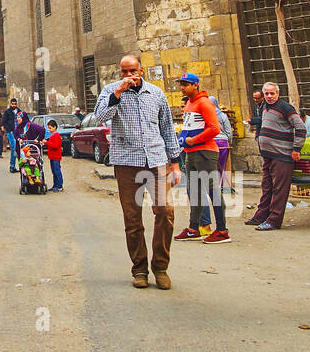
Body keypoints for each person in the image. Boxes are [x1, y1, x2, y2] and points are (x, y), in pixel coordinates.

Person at [92, 55, 181, 289]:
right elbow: (101, 117)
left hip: (156, 160)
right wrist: (118, 93)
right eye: (124, 71)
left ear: (141, 70)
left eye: (132, 70)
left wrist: (176, 162)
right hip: (127, 162)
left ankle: (160, 267)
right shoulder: (111, 91)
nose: (129, 75)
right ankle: (139, 269)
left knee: (165, 212)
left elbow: (167, 129)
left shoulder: (156, 93)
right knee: (132, 219)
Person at [174, 73, 229, 244]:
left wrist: (194, 140)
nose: (183, 87)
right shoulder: (190, 103)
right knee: (195, 191)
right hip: (191, 152)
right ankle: (193, 228)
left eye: (186, 84)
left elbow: (214, 128)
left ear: (196, 85)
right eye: (181, 84)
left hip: (205, 152)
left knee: (213, 190)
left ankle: (222, 230)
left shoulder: (204, 103)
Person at [245, 82, 307, 230]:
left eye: (272, 93)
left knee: (279, 189)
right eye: (266, 93)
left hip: (282, 156)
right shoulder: (265, 107)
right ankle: (261, 215)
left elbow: (300, 127)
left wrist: (296, 148)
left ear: (278, 94)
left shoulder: (285, 108)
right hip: (268, 155)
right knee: (267, 187)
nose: (269, 96)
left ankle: (274, 220)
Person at [2, 98, 21, 173]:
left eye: (15, 104)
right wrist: (8, 130)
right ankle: (12, 166)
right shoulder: (7, 112)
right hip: (11, 132)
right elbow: (4, 122)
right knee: (14, 147)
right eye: (12, 104)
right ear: (10, 104)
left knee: (19, 148)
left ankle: (20, 165)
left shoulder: (19, 111)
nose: (14, 105)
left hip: (18, 132)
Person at [45, 119, 64, 193]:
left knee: (57, 171)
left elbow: (55, 145)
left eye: (50, 128)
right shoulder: (52, 135)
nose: (49, 130)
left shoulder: (56, 135)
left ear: (55, 127)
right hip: (52, 156)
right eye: (49, 128)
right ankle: (55, 185)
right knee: (54, 171)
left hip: (56, 156)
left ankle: (59, 186)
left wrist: (47, 143)